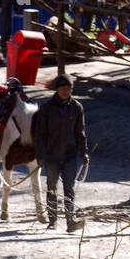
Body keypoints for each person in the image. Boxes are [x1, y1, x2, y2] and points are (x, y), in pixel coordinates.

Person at [32, 74, 88, 232]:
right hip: (51, 156)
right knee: (52, 188)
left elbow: (80, 132)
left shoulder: (77, 107)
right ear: (57, 89)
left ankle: (70, 221)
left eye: (68, 88)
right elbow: (39, 135)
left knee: (69, 190)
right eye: (63, 88)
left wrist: (84, 152)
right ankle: (53, 221)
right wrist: (40, 155)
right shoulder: (46, 108)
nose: (65, 91)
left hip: (70, 155)